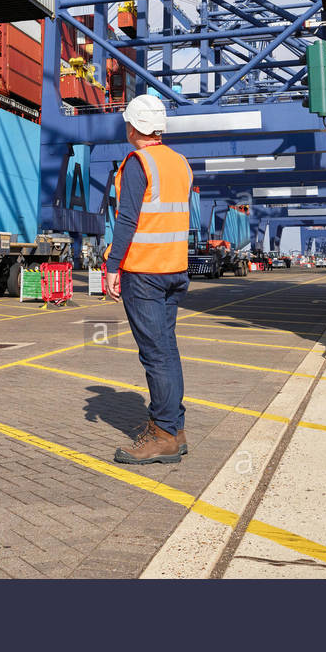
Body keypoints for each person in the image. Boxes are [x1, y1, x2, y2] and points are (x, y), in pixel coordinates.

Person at [105, 93, 194, 464]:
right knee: (166, 350)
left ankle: (163, 436)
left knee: (155, 355)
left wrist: (113, 266)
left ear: (133, 127)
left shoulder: (138, 163)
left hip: (144, 272)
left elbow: (128, 219)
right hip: (174, 269)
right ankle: (174, 428)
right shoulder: (180, 163)